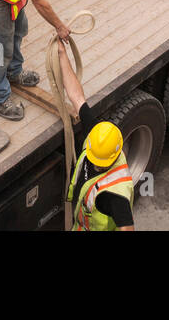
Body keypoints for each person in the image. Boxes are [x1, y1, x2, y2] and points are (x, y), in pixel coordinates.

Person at [55, 41, 136, 230]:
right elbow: (77, 97)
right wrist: (61, 54)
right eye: (94, 160)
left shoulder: (116, 194)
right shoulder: (97, 137)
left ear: (114, 157)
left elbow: (127, 228)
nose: (96, 165)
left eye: (100, 163)